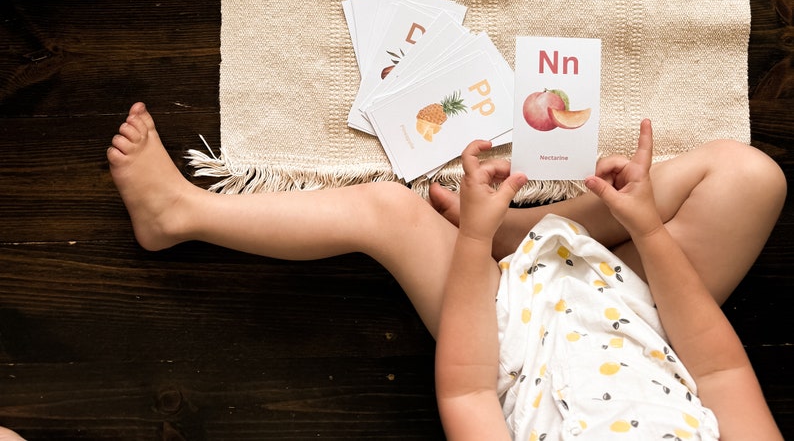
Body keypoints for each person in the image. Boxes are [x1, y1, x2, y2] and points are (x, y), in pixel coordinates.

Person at [107, 103, 787, 440]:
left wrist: (472, 242)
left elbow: (467, 392)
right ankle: (525, 226)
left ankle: (178, 213)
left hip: (503, 328)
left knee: (383, 210)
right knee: (750, 177)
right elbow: (721, 370)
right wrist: (642, 224)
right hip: (649, 317)